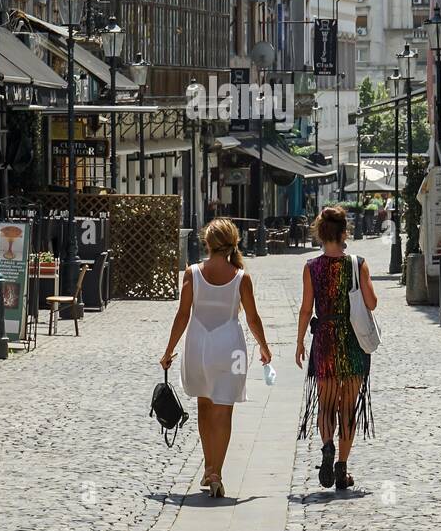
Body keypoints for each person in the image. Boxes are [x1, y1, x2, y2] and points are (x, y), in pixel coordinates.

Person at [160, 218, 272, 498]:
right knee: (224, 410)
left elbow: (183, 315)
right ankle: (216, 472)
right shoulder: (240, 277)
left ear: (207, 243)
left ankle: (209, 467)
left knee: (204, 407)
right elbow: (252, 317)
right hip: (230, 348)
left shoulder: (192, 273)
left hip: (198, 345)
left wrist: (168, 350)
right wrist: (263, 347)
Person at [296, 205, 378, 490]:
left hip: (325, 340)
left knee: (327, 404)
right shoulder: (357, 264)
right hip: (353, 340)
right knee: (348, 407)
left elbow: (306, 309)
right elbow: (372, 303)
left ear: (320, 234)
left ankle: (327, 445)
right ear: (344, 233)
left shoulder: (311, 268)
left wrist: (298, 344)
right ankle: (342, 467)